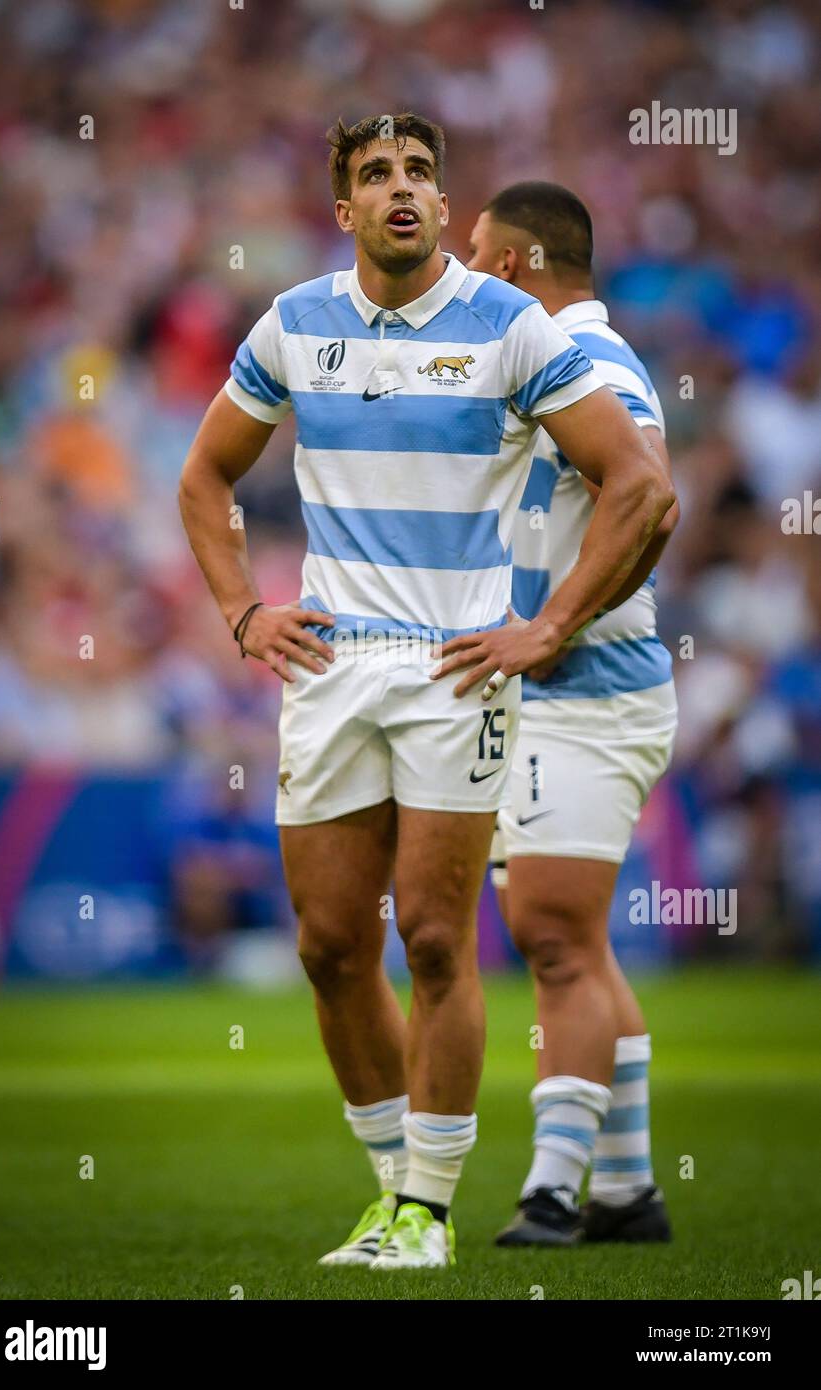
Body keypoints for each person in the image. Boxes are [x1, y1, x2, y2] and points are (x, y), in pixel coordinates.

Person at [178, 119, 674, 1270]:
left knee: (438, 938)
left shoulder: (509, 324)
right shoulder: (294, 323)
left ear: (445, 208)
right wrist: (242, 612)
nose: (399, 189)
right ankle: (391, 1190)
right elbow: (203, 474)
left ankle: (431, 1211)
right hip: (329, 665)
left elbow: (639, 485)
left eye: (418, 174)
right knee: (327, 945)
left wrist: (547, 625)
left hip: (455, 668)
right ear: (342, 209)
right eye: (374, 175)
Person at [462, 182, 679, 1246]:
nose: (465, 274)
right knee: (574, 942)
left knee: (552, 937)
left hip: (586, 688)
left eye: (475, 255)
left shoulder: (586, 359)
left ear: (514, 265)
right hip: (548, 691)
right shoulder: (556, 357)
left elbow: (650, 498)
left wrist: (551, 626)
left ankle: (551, 1189)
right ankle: (626, 1193)